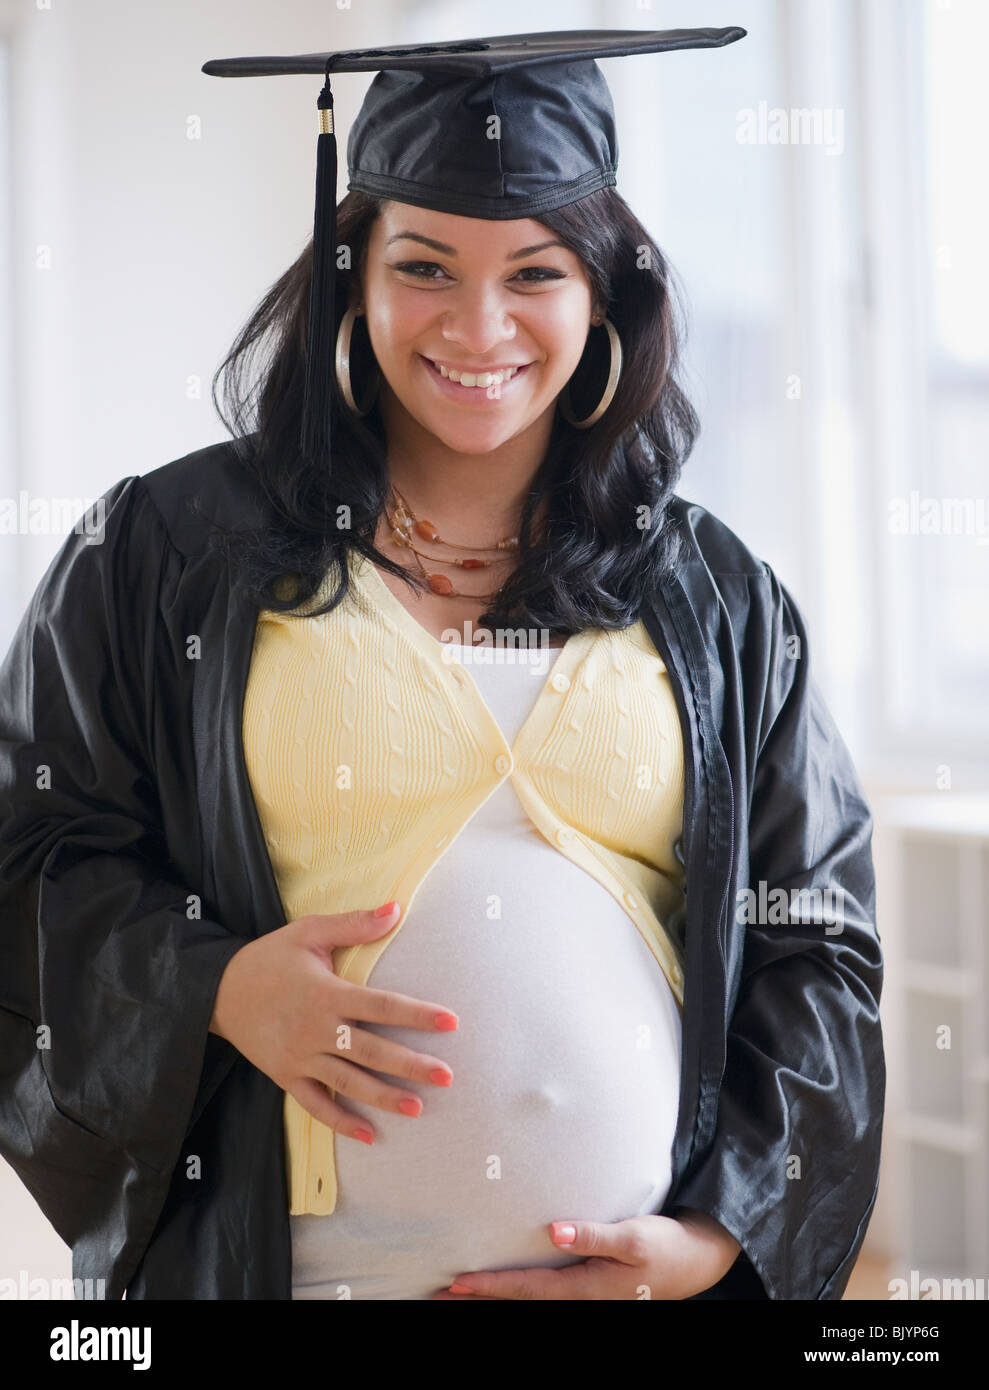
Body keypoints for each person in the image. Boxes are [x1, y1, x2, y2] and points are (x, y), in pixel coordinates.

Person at [0, 28, 884, 1300]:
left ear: (603, 293)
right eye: (424, 265)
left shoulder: (708, 588)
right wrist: (214, 986)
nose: (480, 325)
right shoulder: (168, 549)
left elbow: (816, 942)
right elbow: (32, 852)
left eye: (535, 271)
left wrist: (713, 1247)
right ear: (354, 277)